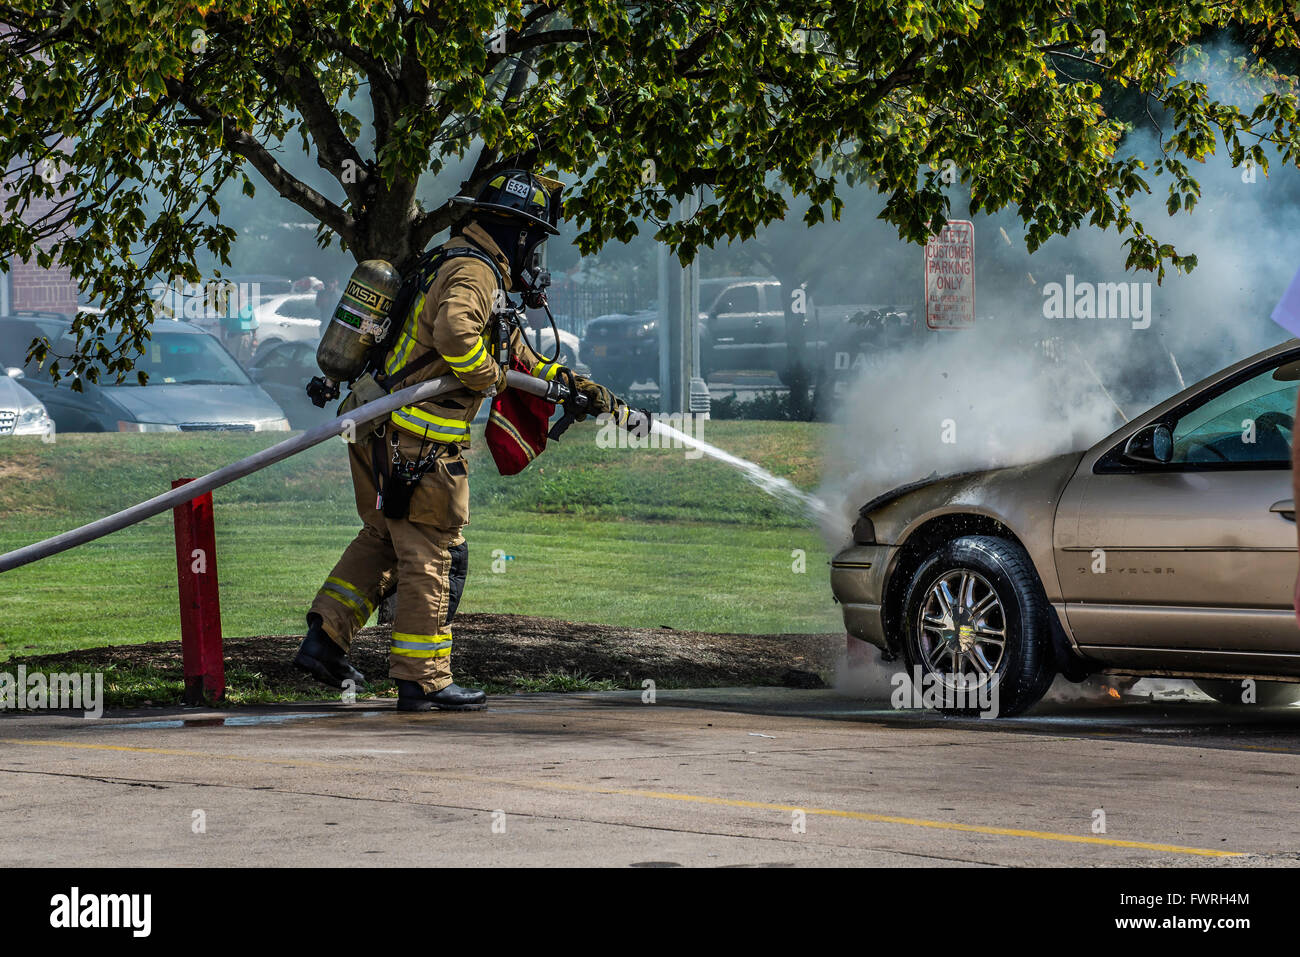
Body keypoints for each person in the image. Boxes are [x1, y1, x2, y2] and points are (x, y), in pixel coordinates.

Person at [293, 170, 623, 711]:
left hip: (379, 429)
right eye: (534, 241)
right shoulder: (475, 273)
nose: (534, 256)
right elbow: (455, 334)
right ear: (515, 233)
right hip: (418, 445)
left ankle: (323, 641)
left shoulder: (453, 260)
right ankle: (423, 680)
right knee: (432, 554)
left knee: (384, 539)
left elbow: (516, 354)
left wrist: (568, 384)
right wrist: (489, 378)